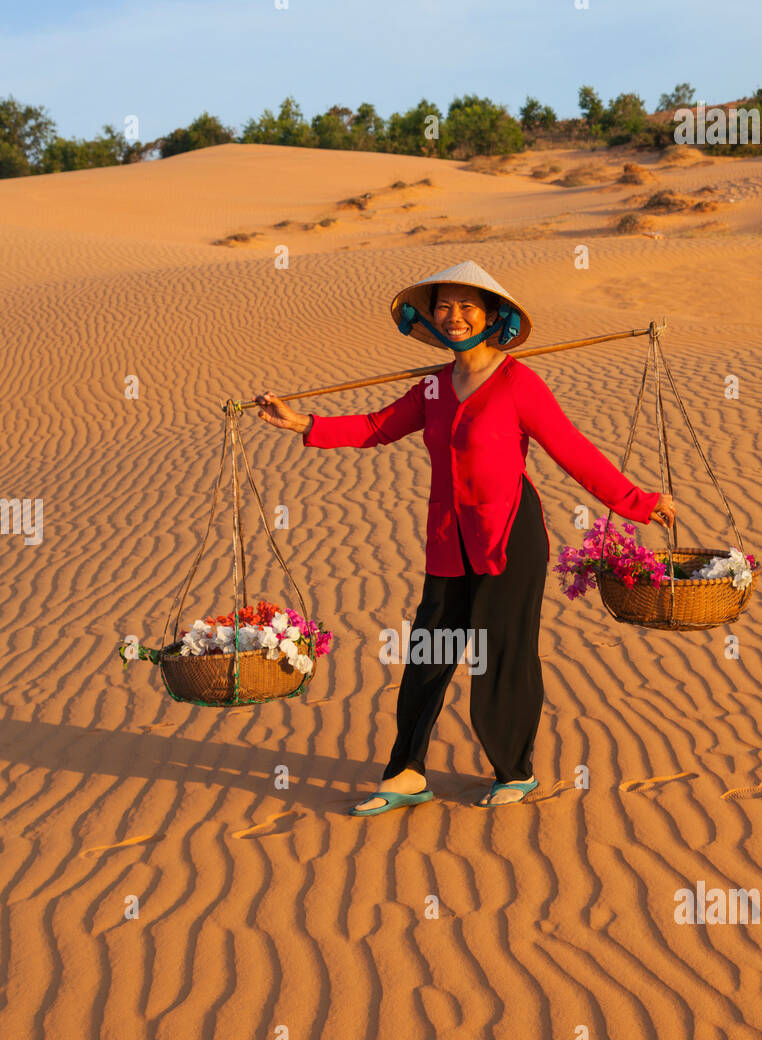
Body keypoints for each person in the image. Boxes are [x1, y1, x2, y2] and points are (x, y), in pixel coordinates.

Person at [255, 261, 675, 814]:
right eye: (443, 307)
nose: (453, 318)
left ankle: (514, 771)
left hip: (508, 537)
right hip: (447, 539)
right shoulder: (432, 386)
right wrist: (303, 424)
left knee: (500, 654)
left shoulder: (518, 382)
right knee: (430, 650)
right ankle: (406, 772)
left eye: (466, 306)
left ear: (492, 315)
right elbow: (377, 427)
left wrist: (638, 503)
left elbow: (573, 452)